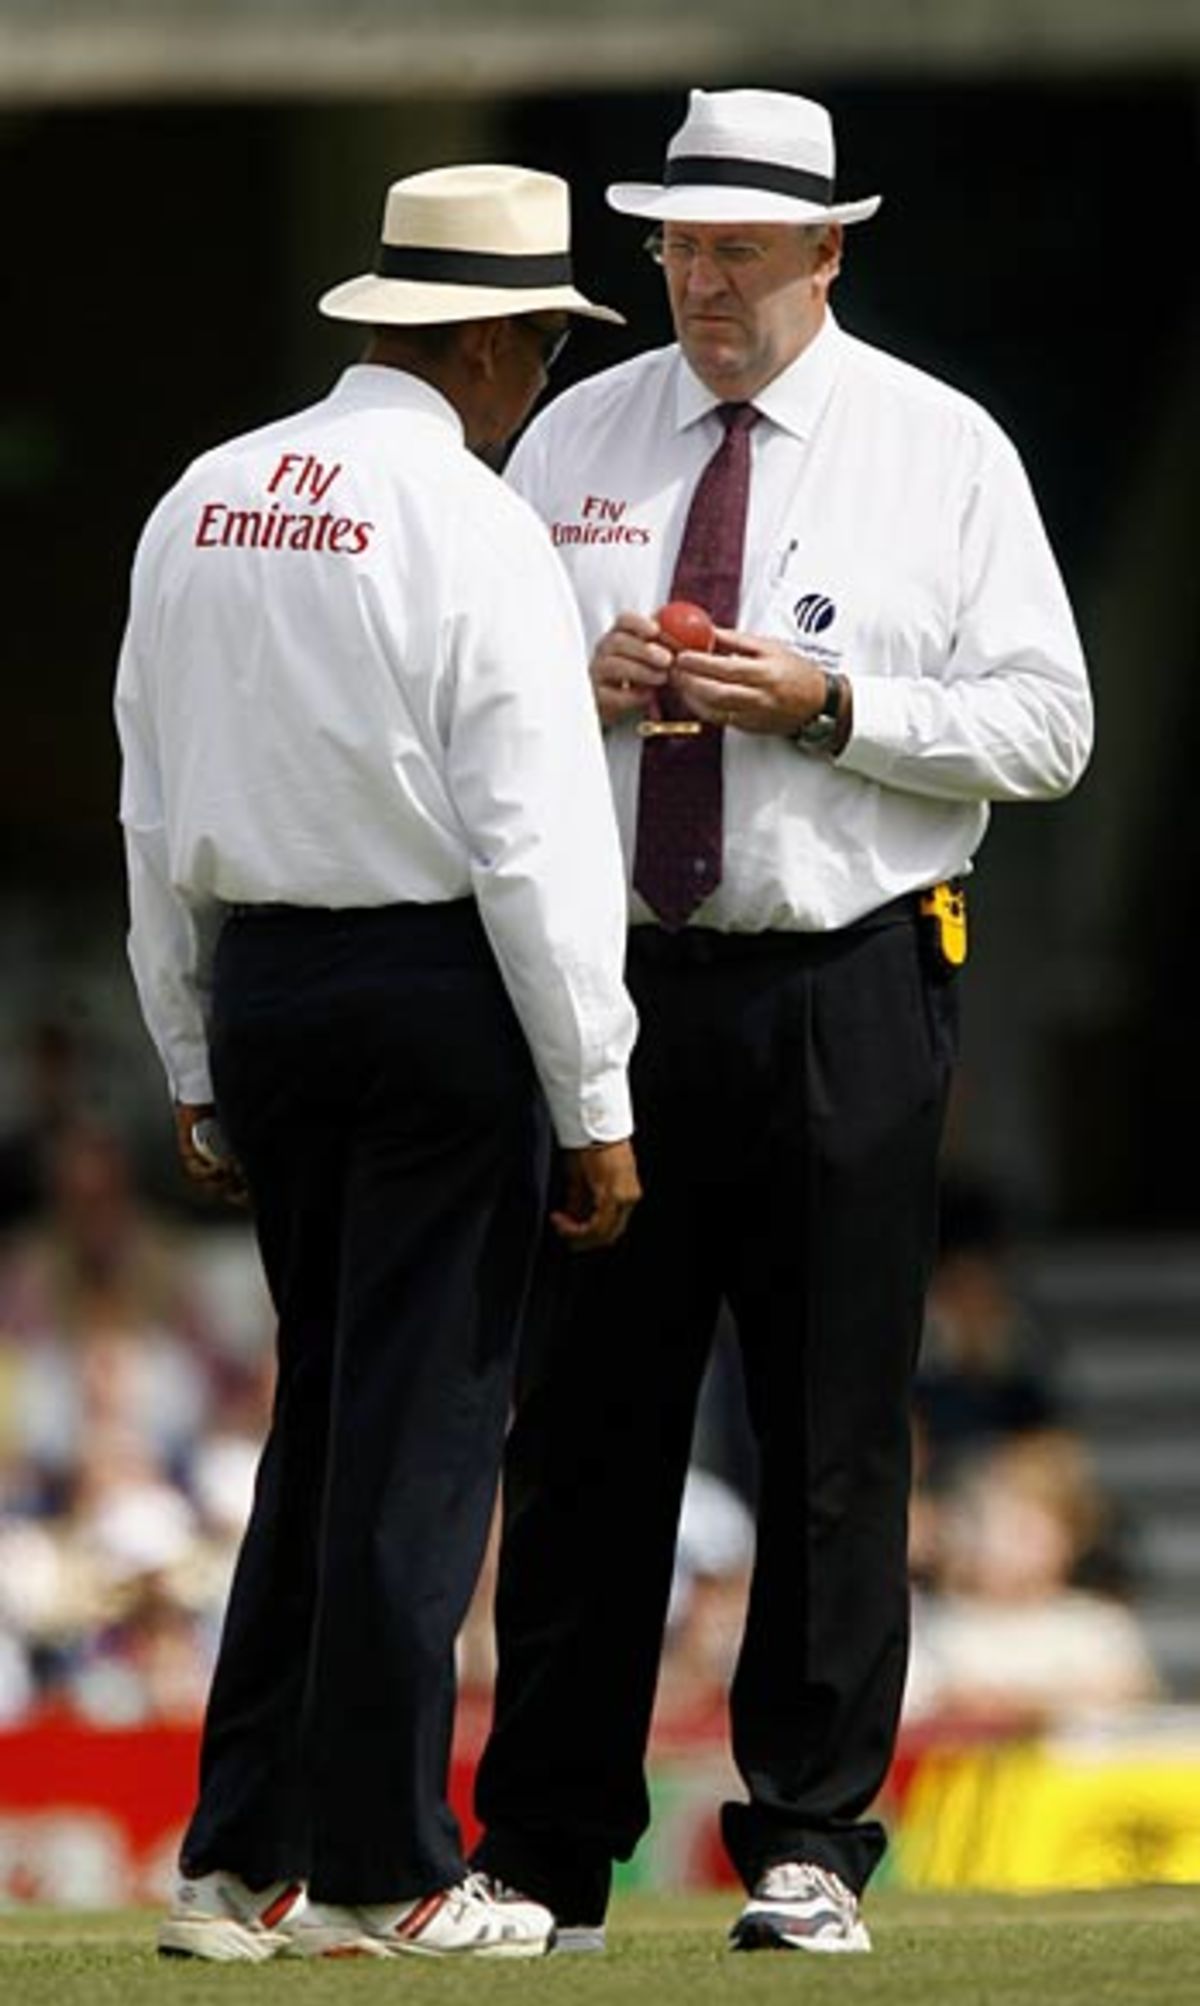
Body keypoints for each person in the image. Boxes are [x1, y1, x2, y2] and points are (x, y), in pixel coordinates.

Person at [471, 89, 1093, 1955]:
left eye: (739, 246)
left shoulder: (941, 448)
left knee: (832, 1425)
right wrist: (570, 680)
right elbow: (470, 695)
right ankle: (544, 1858)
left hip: (847, 973)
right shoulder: (579, 426)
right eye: (677, 242)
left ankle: (810, 1838)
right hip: (615, 974)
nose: (700, 278)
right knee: (586, 1425)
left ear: (830, 251)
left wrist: (831, 703)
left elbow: (1048, 728)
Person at [114, 162, 640, 1962]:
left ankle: (242, 1855)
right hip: (432, 992)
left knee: (329, 1418)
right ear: (491, 341)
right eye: (545, 349)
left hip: (262, 989)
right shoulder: (472, 519)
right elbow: (537, 834)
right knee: (417, 1440)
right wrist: (599, 1099)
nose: (544, 385)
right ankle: (387, 1864)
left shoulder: (206, 493)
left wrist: (189, 1043)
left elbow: (148, 796)